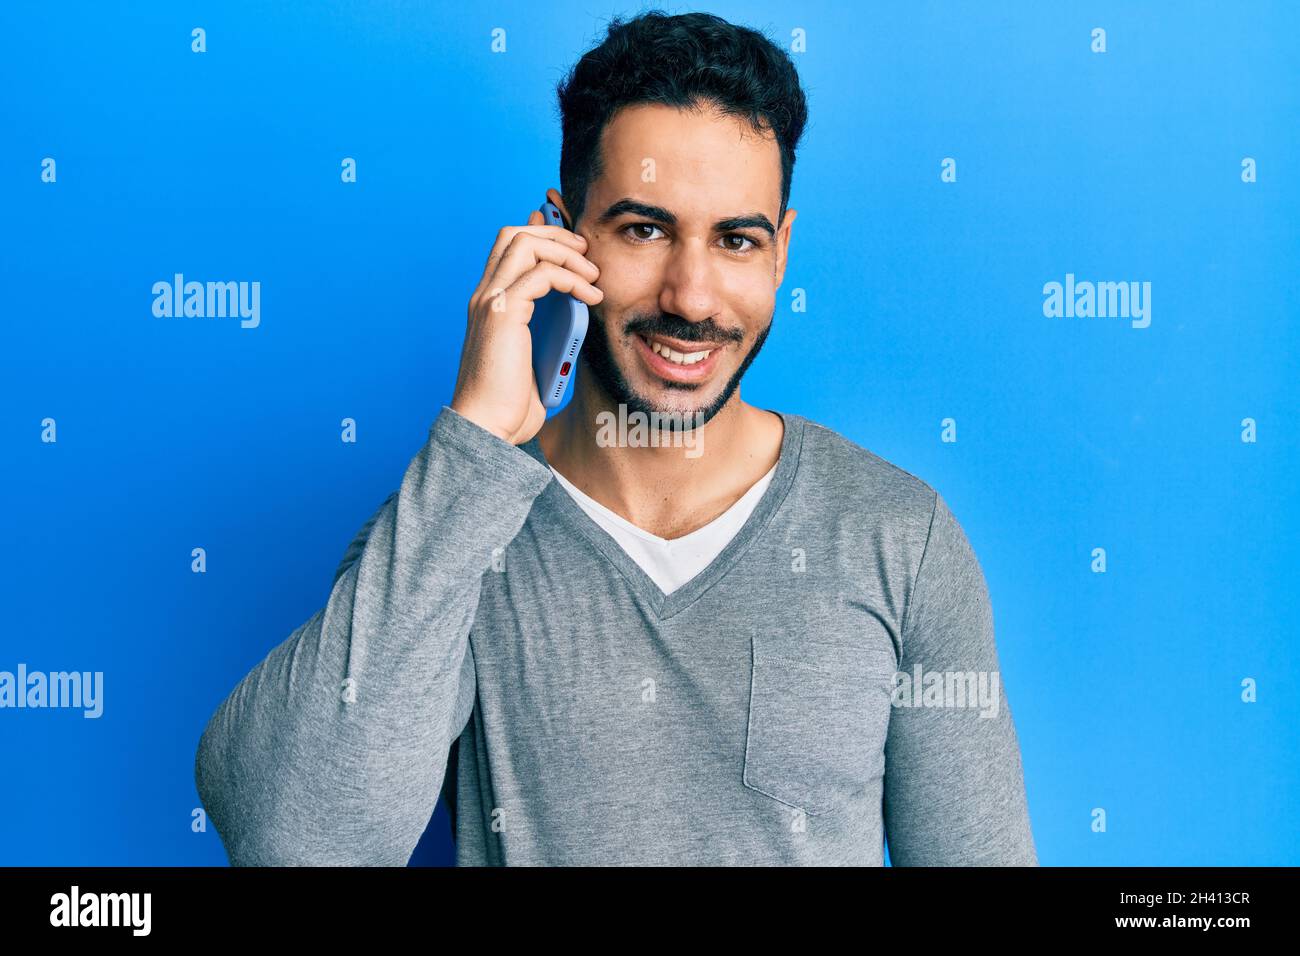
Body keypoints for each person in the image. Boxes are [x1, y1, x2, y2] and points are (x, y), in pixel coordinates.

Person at [194, 9, 1037, 866]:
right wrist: (476, 445)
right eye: (645, 229)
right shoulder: (455, 524)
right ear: (562, 234)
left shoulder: (899, 537)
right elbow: (291, 840)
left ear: (780, 251)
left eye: (736, 240)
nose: (693, 297)